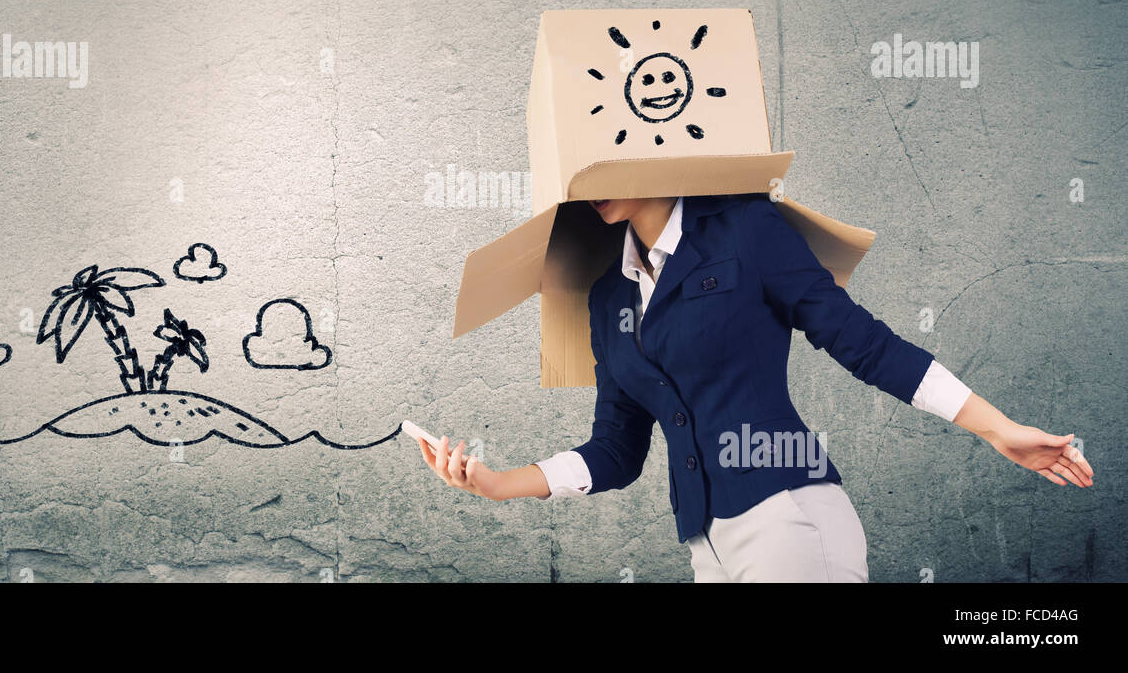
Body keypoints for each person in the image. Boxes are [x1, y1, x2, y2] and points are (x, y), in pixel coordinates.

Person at [418, 193, 1094, 582]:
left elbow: (862, 343)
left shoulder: (746, 230)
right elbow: (616, 450)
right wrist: (499, 482)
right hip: (706, 545)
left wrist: (997, 427)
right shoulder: (607, 298)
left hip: (788, 513)